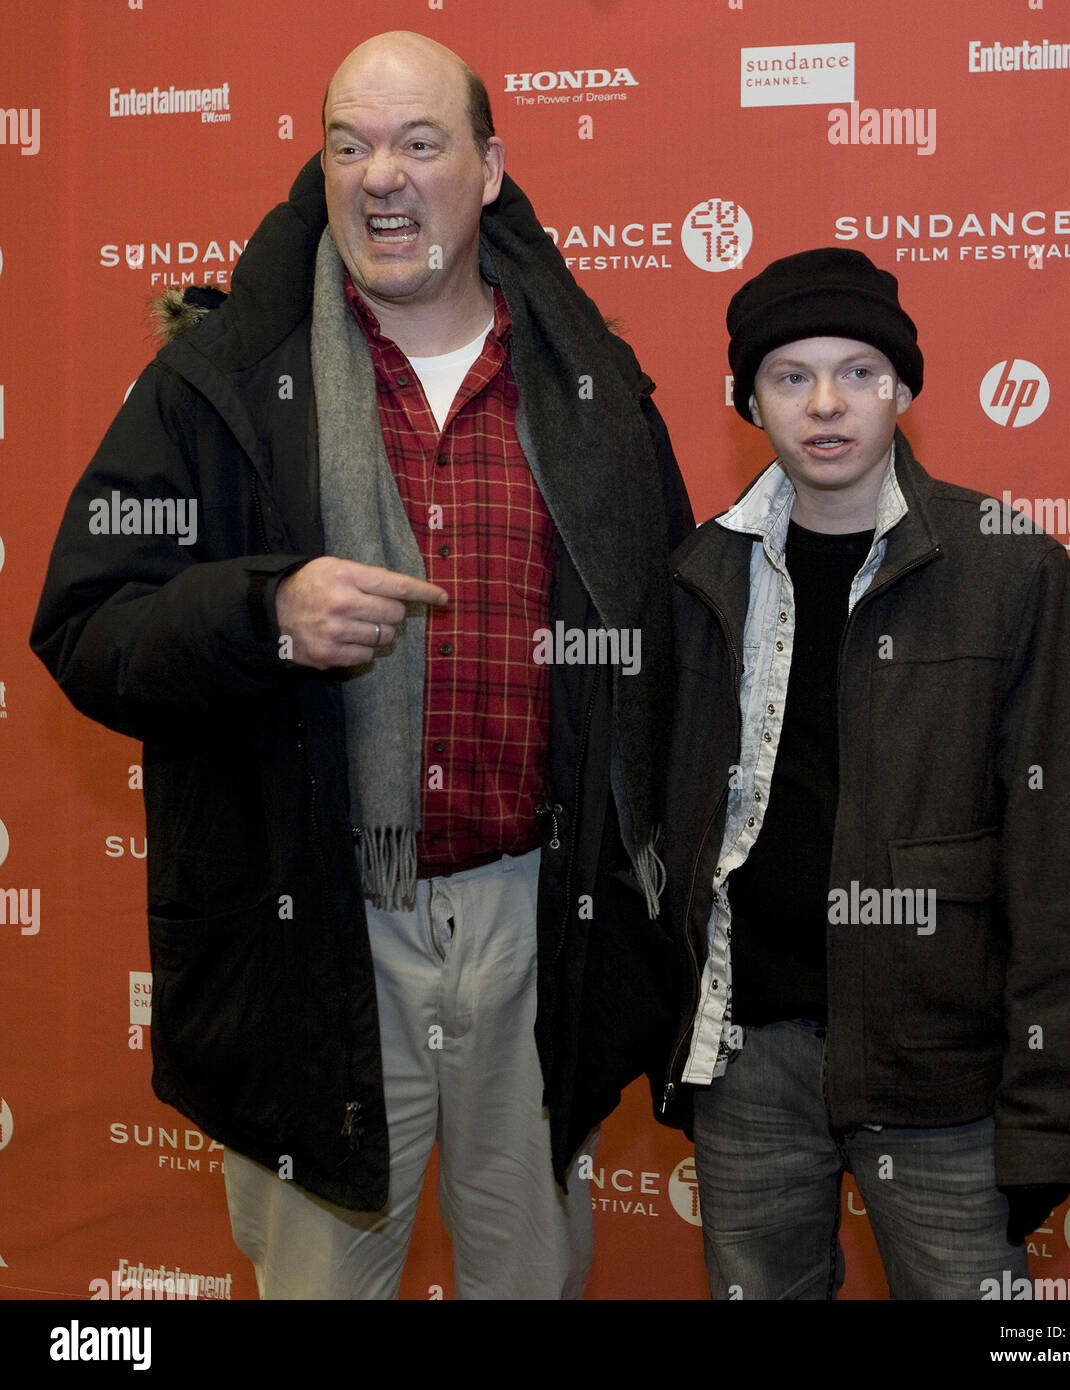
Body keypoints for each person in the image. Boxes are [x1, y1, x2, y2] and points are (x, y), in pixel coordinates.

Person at [31, 31, 691, 1299]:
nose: (379, 176)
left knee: (531, 1280)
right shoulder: (217, 384)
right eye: (348, 145)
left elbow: (671, 655)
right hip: (314, 925)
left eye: (418, 143)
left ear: (490, 169)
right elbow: (87, 624)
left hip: (536, 920)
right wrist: (261, 613)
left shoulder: (590, 388)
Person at [657, 248, 1070, 1300]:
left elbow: (1055, 859)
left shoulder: (1006, 570)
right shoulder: (700, 573)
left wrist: (1048, 1113)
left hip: (936, 1066)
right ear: (747, 401)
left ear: (901, 387)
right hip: (745, 1060)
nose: (825, 403)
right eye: (789, 376)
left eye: (858, 371)